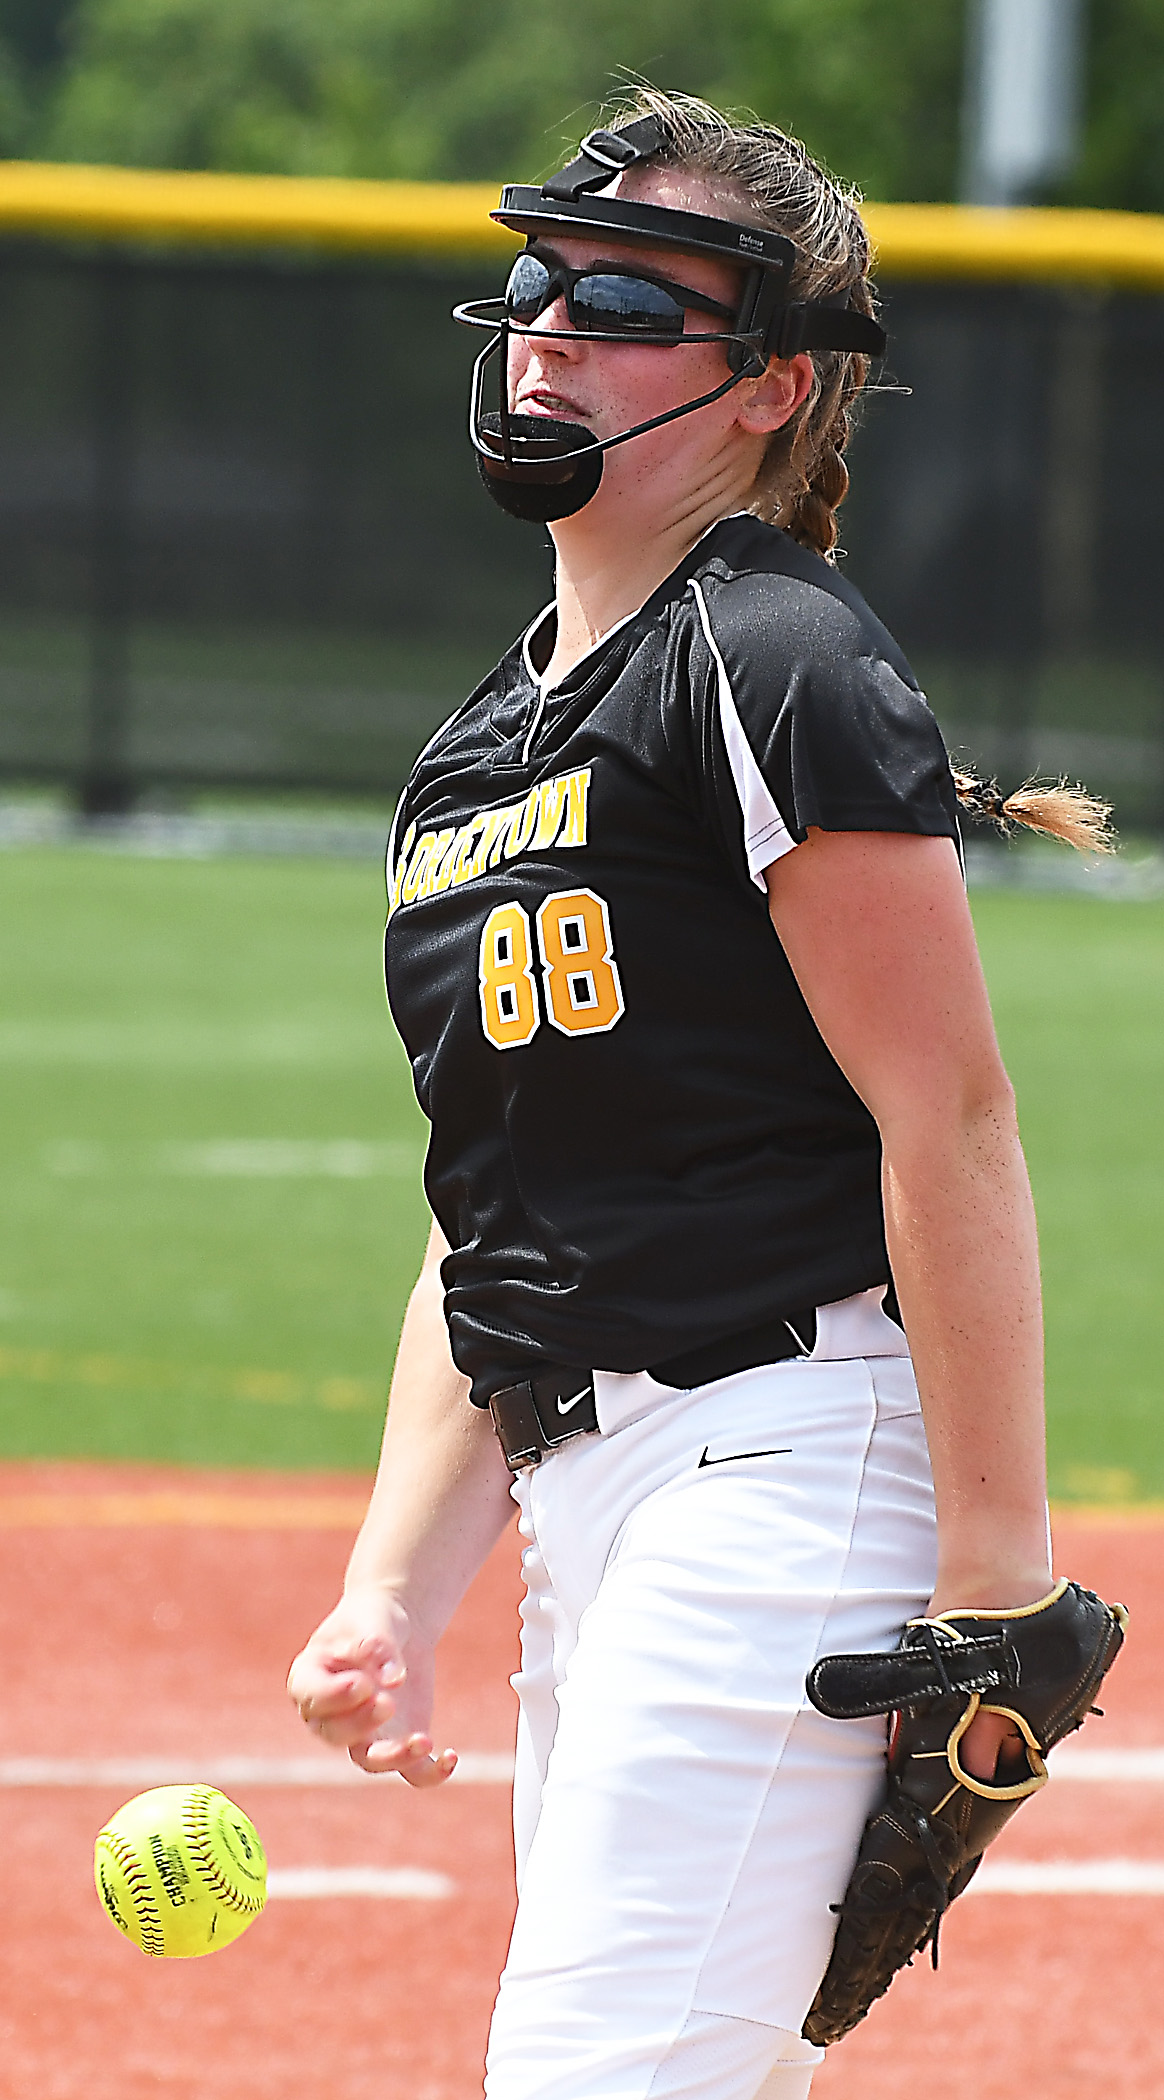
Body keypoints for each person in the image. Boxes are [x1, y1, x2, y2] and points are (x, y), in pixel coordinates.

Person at [286, 89, 1111, 2100]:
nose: (549, 329)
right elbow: (495, 1210)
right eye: (536, 286)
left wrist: (997, 1571)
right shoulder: (486, 740)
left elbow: (955, 1122)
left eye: (625, 303)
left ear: (770, 385)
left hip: (785, 1468)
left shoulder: (769, 655)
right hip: (596, 1508)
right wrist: (396, 1583)